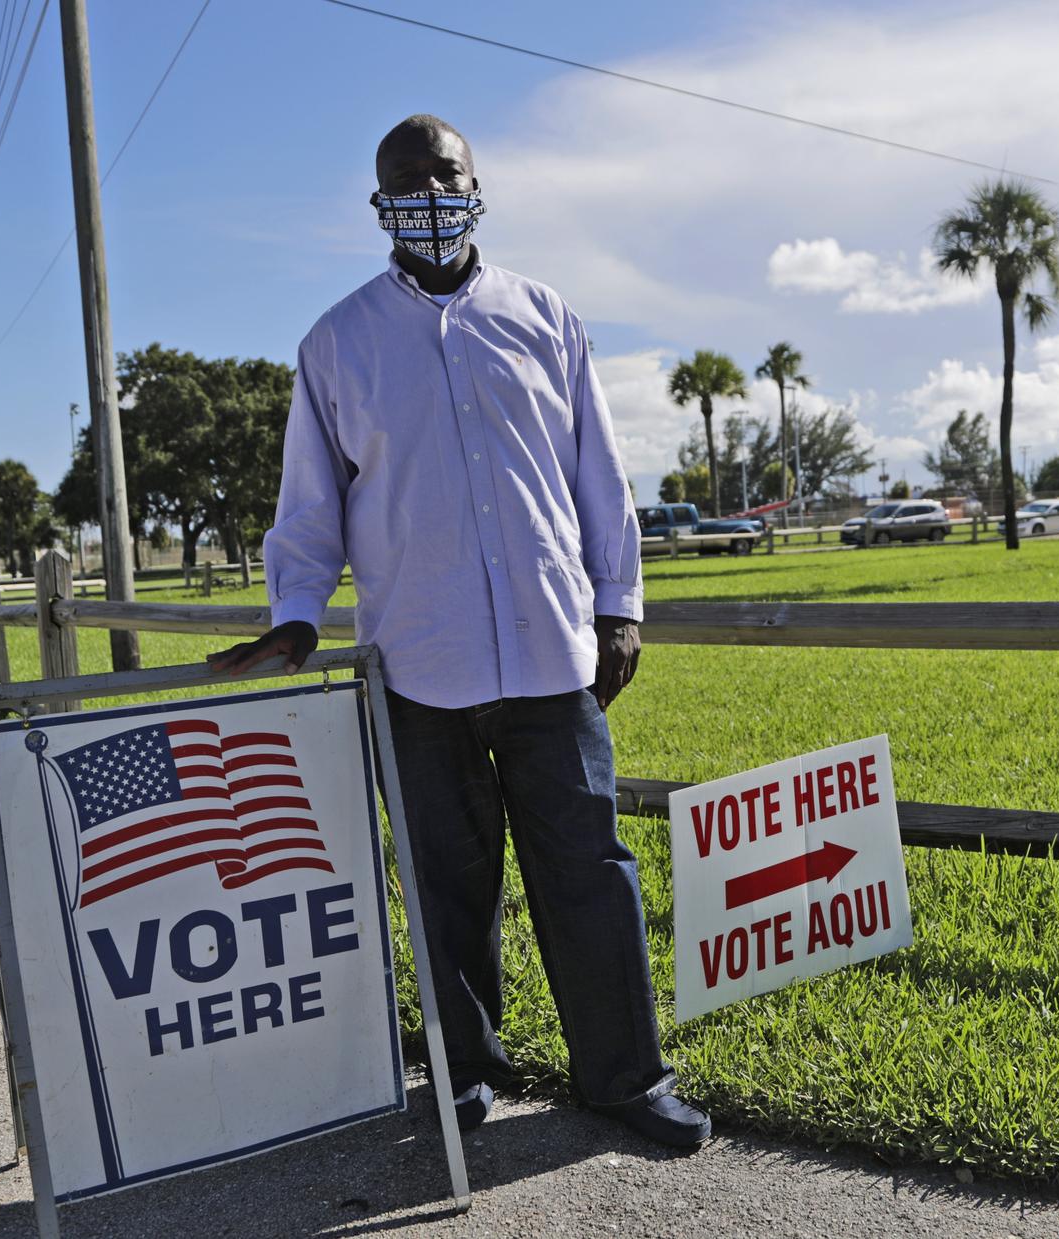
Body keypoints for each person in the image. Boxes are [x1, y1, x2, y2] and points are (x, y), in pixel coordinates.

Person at [207, 114, 709, 1150]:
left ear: (477, 184)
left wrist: (619, 604)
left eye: (445, 175)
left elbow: (598, 476)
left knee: (590, 874)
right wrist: (296, 619)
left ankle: (624, 1079)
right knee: (448, 884)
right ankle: (467, 1073)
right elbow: (311, 509)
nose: (427, 195)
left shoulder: (544, 316)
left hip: (550, 652)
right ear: (378, 203)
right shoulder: (337, 343)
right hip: (418, 663)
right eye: (405, 182)